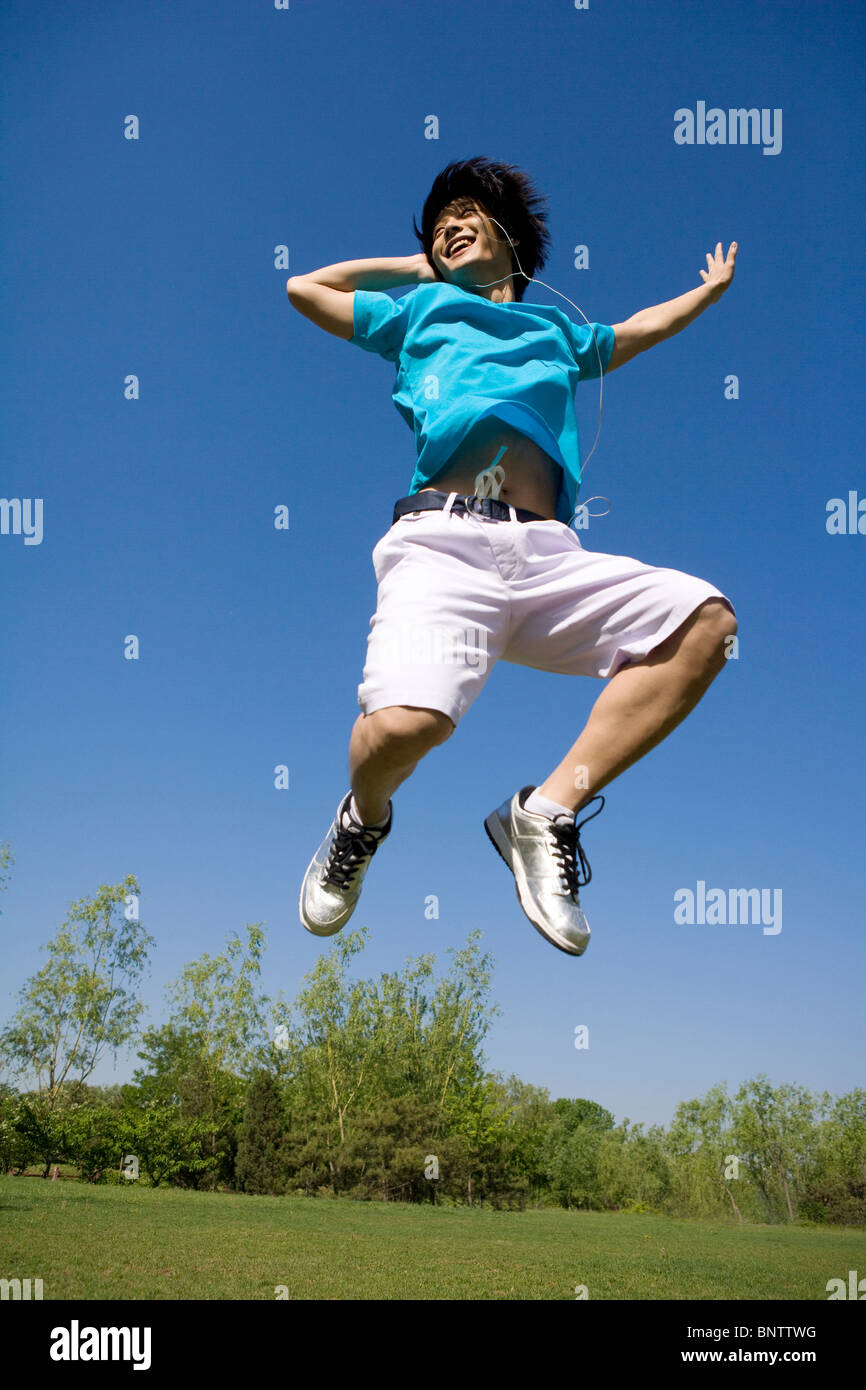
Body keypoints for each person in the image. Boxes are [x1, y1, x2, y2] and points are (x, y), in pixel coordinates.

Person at [287, 156, 737, 957]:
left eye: (465, 212)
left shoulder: (559, 331)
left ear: (512, 237)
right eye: (437, 223)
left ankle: (544, 813)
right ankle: (363, 819)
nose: (448, 226)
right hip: (442, 545)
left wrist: (703, 296)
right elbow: (305, 290)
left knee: (705, 624)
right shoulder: (419, 310)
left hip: (547, 553)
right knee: (401, 730)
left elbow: (639, 331)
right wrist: (409, 264)